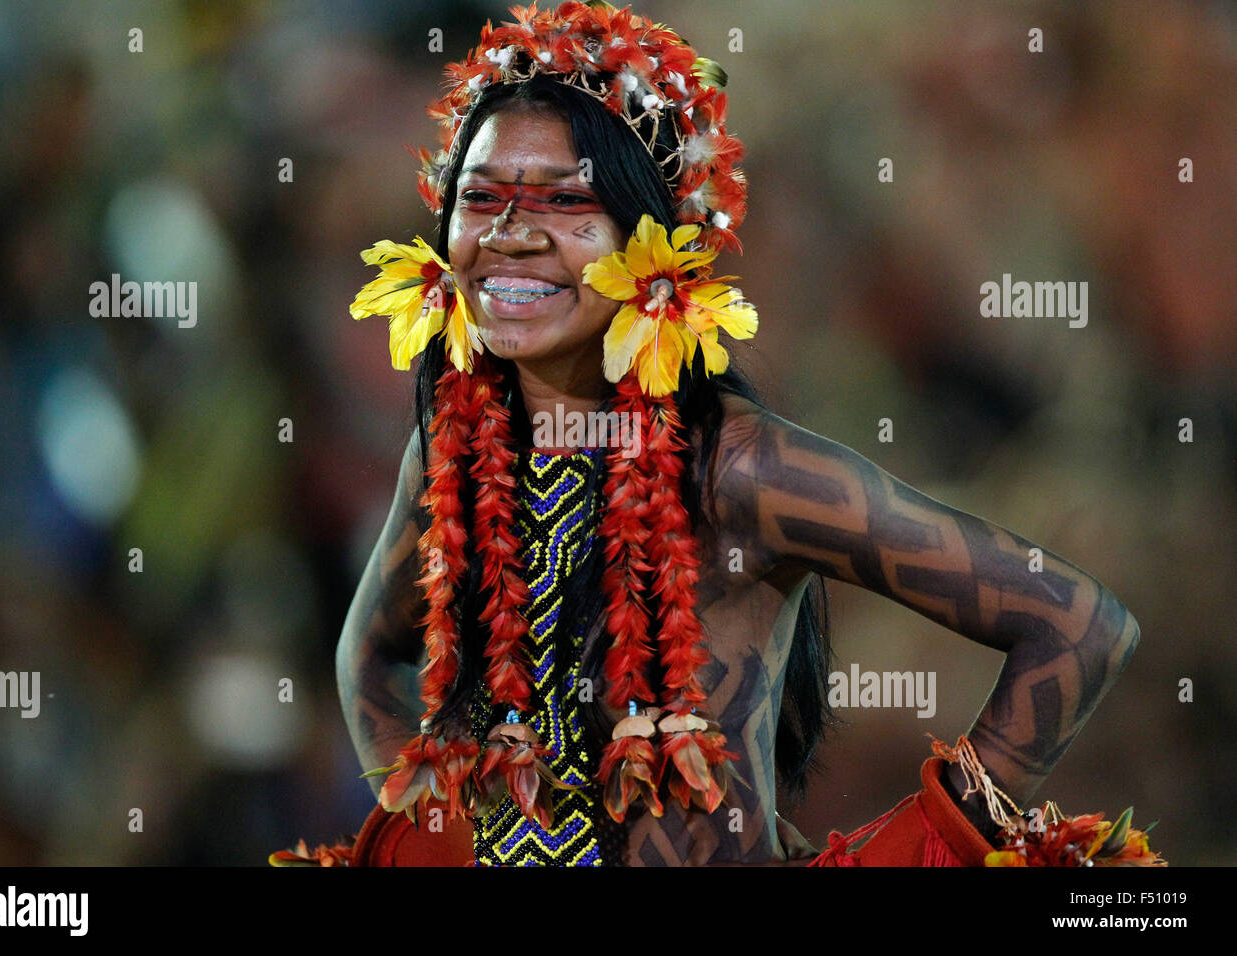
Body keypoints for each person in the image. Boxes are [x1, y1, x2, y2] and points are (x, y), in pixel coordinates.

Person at [332, 2, 1144, 867]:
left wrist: (927, 845)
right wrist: (429, 835)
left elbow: (1077, 622)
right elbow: (370, 655)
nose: (511, 237)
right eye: (481, 198)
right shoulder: (449, 452)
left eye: (567, 202)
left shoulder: (737, 468)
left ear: (652, 241)